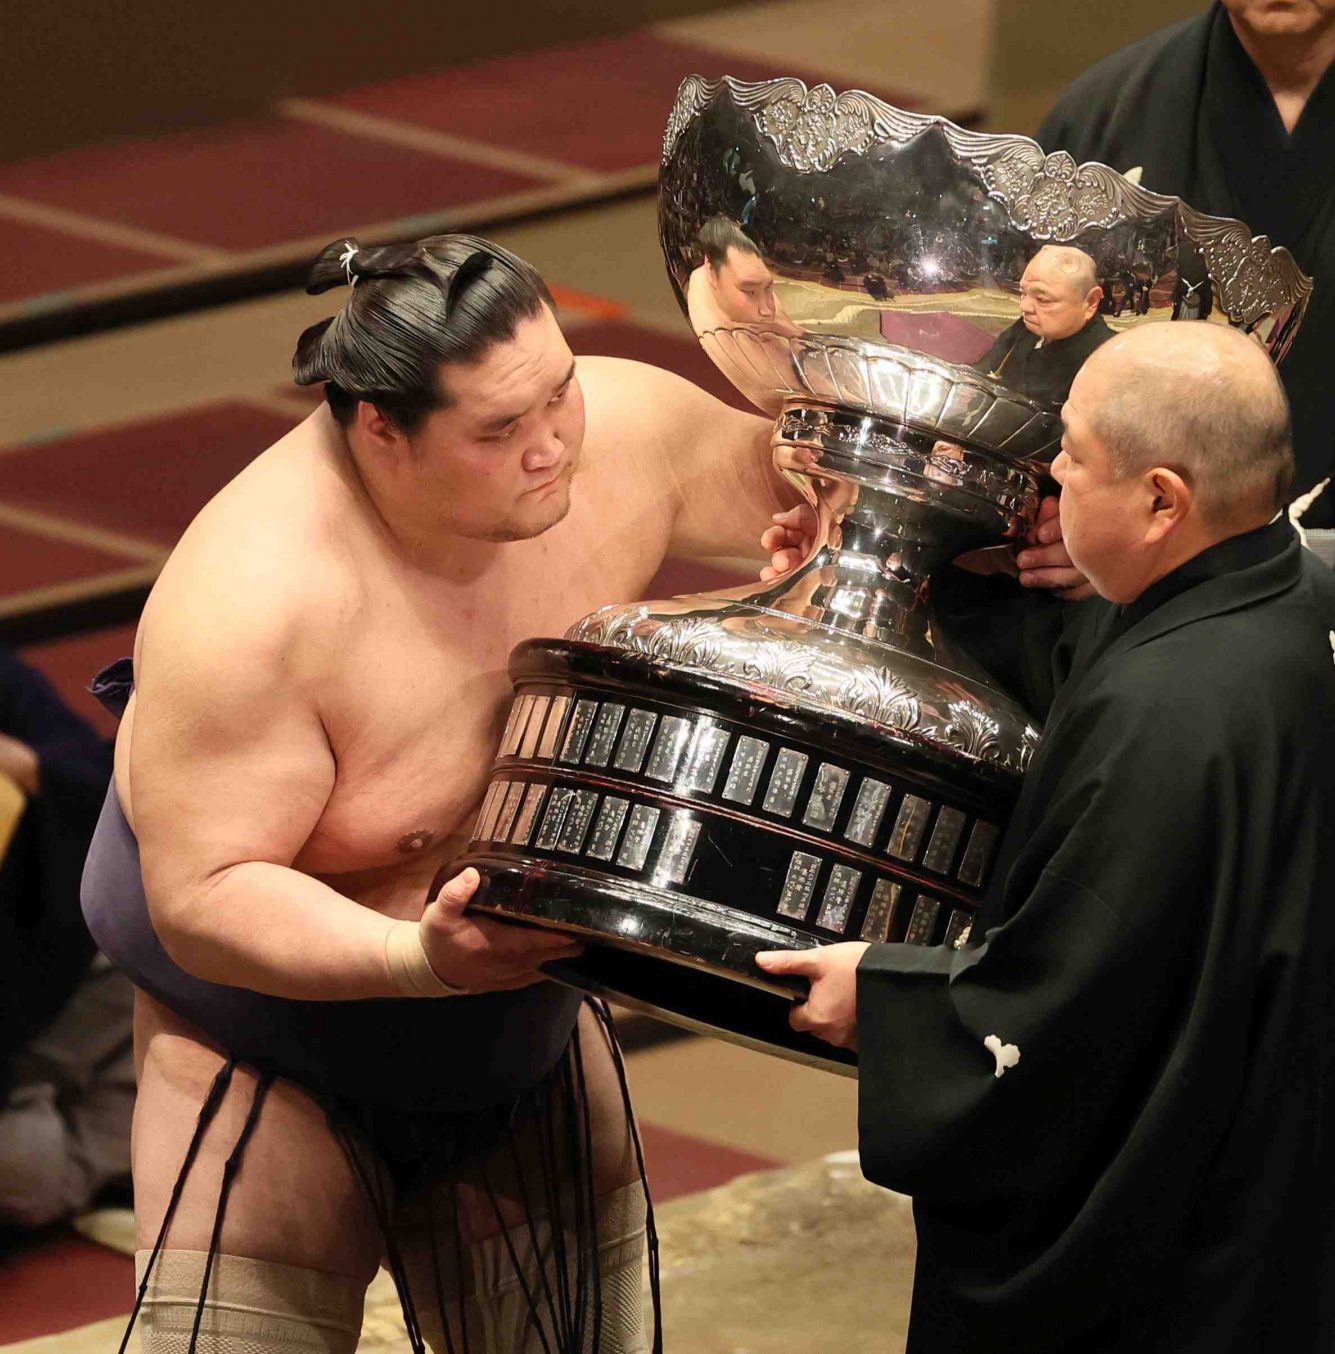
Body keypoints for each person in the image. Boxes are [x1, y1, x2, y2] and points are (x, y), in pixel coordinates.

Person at [81, 233, 801, 1354]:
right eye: (500, 430)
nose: (553, 446)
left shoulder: (619, 433)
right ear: (382, 429)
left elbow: (822, 492)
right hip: (270, 1031)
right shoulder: (255, 599)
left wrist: (844, 544)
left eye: (559, 391)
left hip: (519, 1008)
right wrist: (417, 958)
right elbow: (206, 891)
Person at [758, 322, 1335, 1352]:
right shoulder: (1299, 597)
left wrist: (887, 1004)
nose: (1051, 477)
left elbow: (1072, 1003)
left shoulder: (1171, 714)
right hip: (1290, 1168)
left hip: (1192, 1251)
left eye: (1072, 454)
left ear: (1162, 499)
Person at [1021, 3, 1335, 1344]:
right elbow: (1032, 422)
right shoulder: (1100, 132)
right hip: (1148, 705)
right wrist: (1040, 526)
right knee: (1134, 1062)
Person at [0, 649, 127, 1234]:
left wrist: (23, 765)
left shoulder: (8, 685)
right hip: (19, 1038)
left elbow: (102, 781)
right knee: (23, 1175)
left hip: (79, 965)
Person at [973, 245, 1113, 406]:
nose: (1024, 307)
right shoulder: (1027, 329)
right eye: (1023, 293)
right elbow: (984, 371)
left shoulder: (1108, 361)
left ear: (1091, 301)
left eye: (1043, 300)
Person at [684, 216, 801, 338]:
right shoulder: (705, 324)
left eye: (767, 289)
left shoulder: (758, 281)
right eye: (749, 292)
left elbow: (791, 330)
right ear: (712, 273)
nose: (766, 311)